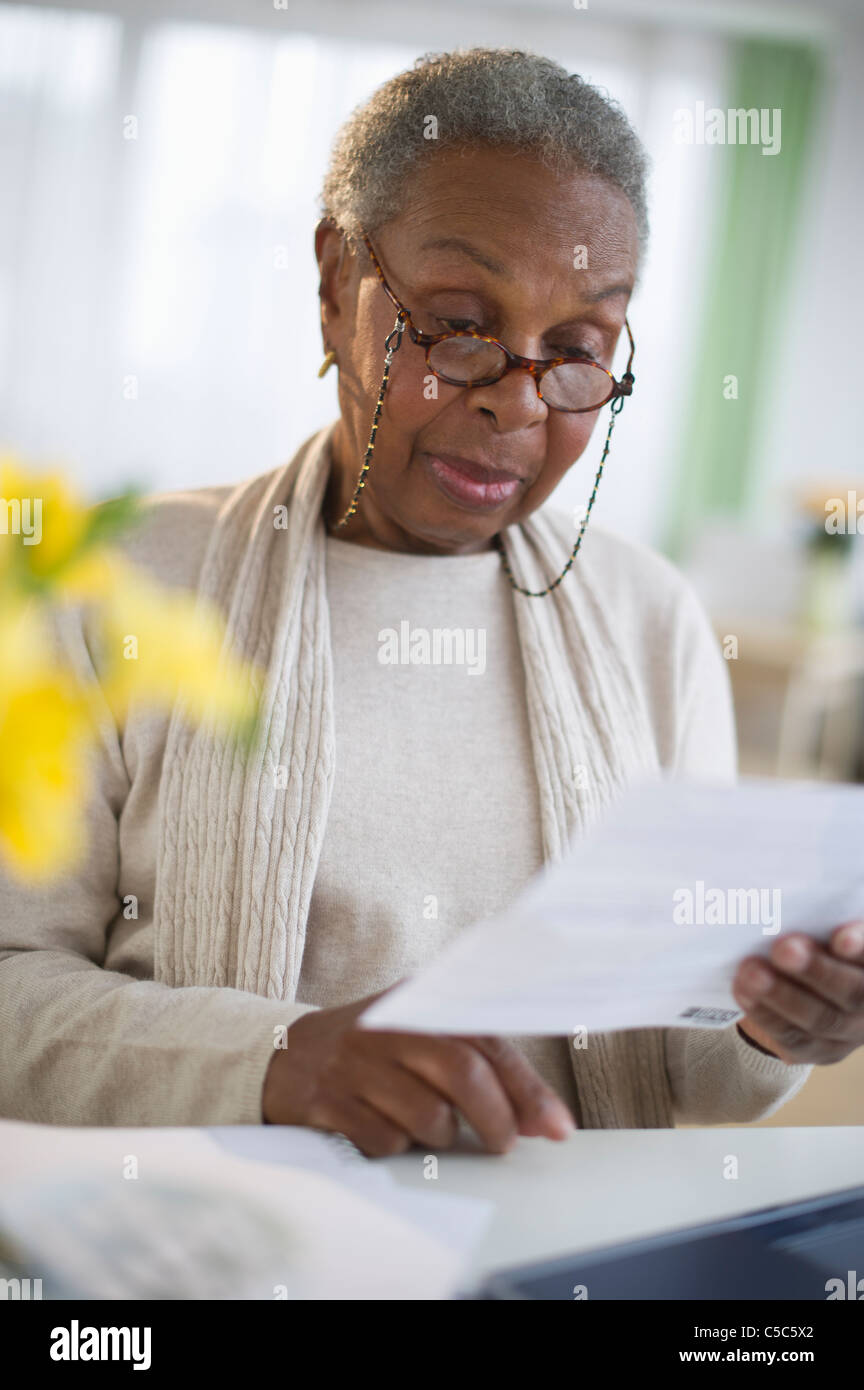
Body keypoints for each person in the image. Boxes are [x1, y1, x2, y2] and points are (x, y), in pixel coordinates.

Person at [3, 49, 862, 1156]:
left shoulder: (652, 620)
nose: (516, 405)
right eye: (459, 326)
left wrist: (772, 1024)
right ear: (334, 285)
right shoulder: (117, 589)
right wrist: (279, 1060)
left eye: (576, 352)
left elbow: (691, 1062)